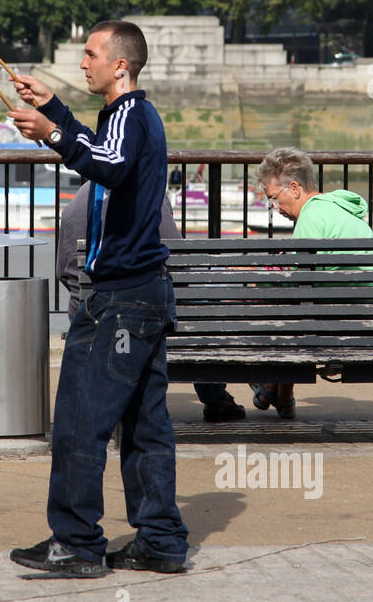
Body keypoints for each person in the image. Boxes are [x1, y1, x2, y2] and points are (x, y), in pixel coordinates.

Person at [5, 19, 188, 577]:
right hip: (145, 295)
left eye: (90, 54)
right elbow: (106, 150)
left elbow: (106, 164)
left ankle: (77, 543)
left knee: (80, 421)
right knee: (144, 424)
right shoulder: (131, 117)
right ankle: (159, 539)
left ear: (121, 66)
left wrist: (51, 133)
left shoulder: (132, 114)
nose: (83, 62)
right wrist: (55, 110)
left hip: (122, 300)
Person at [56, 179, 245, 421]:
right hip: (139, 314)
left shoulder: (72, 207)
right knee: (199, 306)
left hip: (88, 317)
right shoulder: (146, 191)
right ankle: (215, 396)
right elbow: (180, 263)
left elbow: (63, 273)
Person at [251, 147, 373, 419]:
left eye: (274, 199)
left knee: (282, 306)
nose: (275, 208)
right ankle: (279, 394)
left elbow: (299, 285)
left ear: (294, 188)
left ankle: (272, 387)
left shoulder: (310, 217)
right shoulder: (339, 209)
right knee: (298, 308)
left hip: (349, 321)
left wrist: (260, 282)